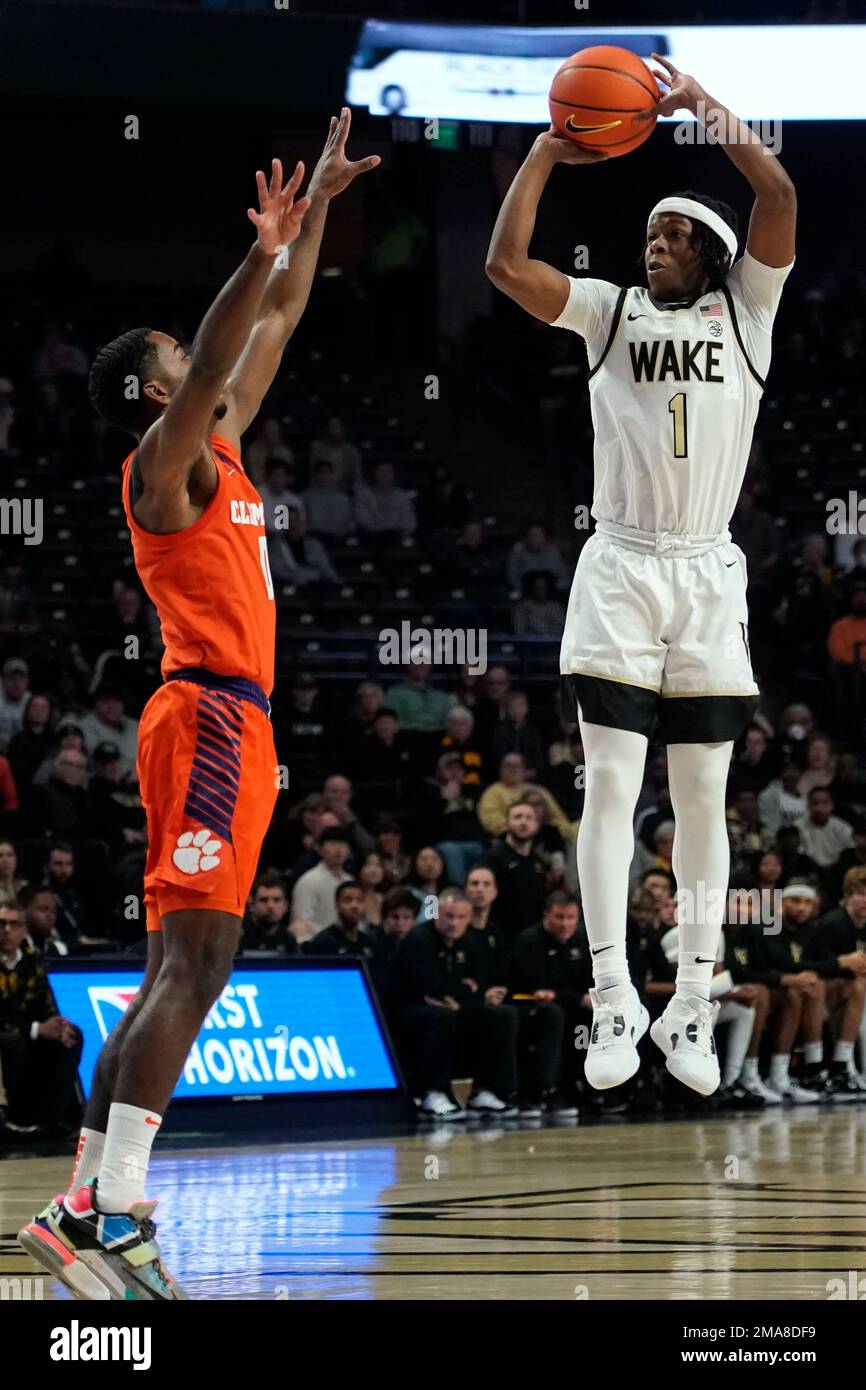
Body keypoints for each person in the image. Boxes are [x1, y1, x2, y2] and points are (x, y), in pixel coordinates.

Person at [18, 112, 379, 1301]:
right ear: (154, 387)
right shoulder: (159, 463)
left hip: (233, 725)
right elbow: (235, 332)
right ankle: (115, 1211)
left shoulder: (217, 445)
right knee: (200, 962)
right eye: (181, 357)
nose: (203, 366)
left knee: (182, 964)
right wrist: (257, 251)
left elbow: (274, 321)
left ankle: (83, 1198)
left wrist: (315, 208)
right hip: (210, 720)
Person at [487, 50, 795, 1098]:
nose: (651, 246)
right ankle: (613, 997)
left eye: (669, 238)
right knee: (610, 789)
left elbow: (777, 192)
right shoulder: (606, 311)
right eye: (647, 235)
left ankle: (692, 998)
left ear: (707, 257)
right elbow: (502, 266)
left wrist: (701, 109)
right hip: (618, 566)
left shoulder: (746, 314)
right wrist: (541, 152)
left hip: (706, 575)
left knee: (703, 802)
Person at [389, 887, 518, 1120]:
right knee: (442, 1015)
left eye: (460, 918)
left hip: (452, 1010)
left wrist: (465, 996)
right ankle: (434, 1092)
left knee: (501, 1014)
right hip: (406, 1010)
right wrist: (465, 991)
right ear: (436, 913)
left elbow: (479, 987)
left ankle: (485, 1092)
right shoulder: (419, 939)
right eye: (448, 916)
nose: (454, 923)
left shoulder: (470, 944)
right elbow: (432, 993)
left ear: (469, 918)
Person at [0, 902, 82, 1134]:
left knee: (72, 1035)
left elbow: (43, 1006)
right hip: (8, 1036)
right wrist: (36, 1029)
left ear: (24, 930)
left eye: (14, 924)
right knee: (10, 1041)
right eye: (1, 924)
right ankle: (7, 1118)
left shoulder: (32, 963)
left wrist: (57, 1025)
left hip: (25, 1033)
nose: (7, 930)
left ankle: (53, 1120)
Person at [480, 800, 548, 946]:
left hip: (532, 940)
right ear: (507, 823)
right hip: (500, 938)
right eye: (517, 817)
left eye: (529, 818)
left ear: (536, 825)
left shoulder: (539, 863)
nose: (523, 822)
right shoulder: (492, 858)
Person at [290, 826, 355, 934]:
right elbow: (301, 923)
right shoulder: (309, 880)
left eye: (343, 845)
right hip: (317, 945)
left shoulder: (350, 880)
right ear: (320, 849)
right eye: (332, 844)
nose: (338, 849)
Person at [304, 881, 374, 959]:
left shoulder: (370, 942)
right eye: (348, 900)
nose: (355, 906)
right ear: (337, 905)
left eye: (360, 900)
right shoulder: (323, 942)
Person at [240, 871, 297, 954]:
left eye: (277, 900)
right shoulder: (238, 937)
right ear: (251, 905)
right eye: (263, 900)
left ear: (286, 906)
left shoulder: (288, 939)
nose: (270, 906)